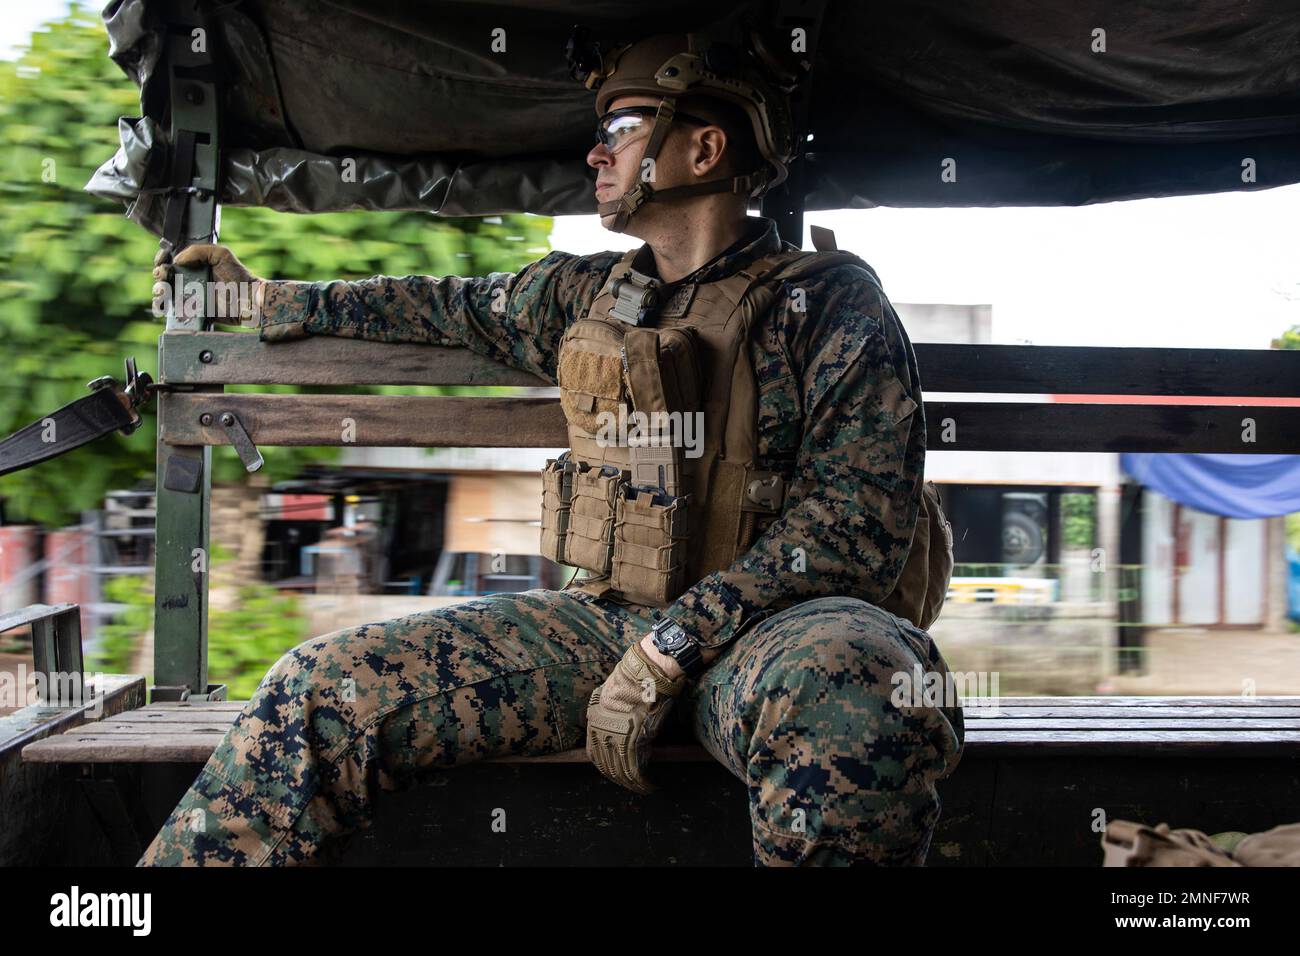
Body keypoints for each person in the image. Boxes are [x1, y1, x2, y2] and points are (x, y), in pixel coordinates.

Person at [138, 29, 964, 867]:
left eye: (625, 126)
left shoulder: (830, 305)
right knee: (317, 690)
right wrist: (271, 297)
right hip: (600, 628)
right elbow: (443, 306)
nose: (595, 150)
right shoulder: (588, 293)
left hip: (772, 641)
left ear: (707, 148)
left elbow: (858, 526)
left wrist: (678, 641)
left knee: (860, 683)